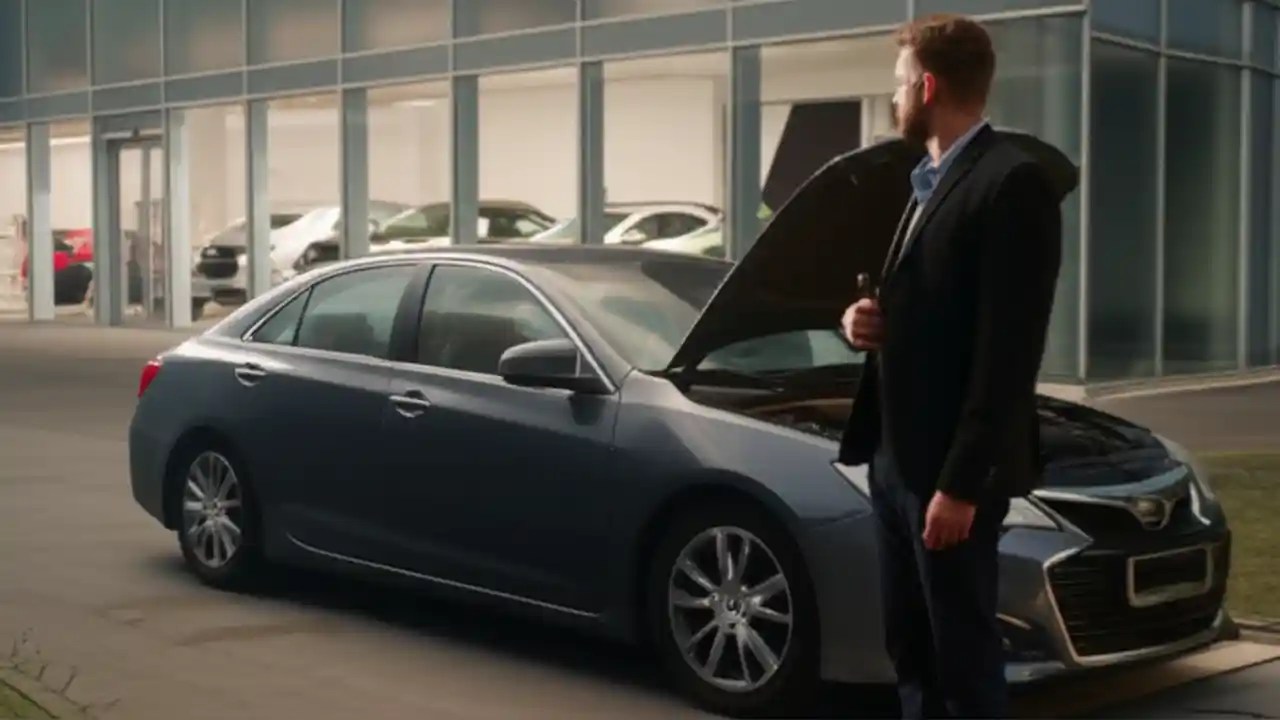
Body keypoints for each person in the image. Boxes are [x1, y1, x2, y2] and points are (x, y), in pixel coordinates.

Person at [837, 13, 1063, 720]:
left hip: (948, 479)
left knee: (962, 660)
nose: (895, 98)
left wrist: (961, 486)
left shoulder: (1010, 184)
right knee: (911, 647)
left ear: (928, 85)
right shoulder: (925, 182)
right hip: (895, 462)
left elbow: (1008, 355)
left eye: (899, 85)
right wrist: (864, 326)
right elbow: (937, 311)